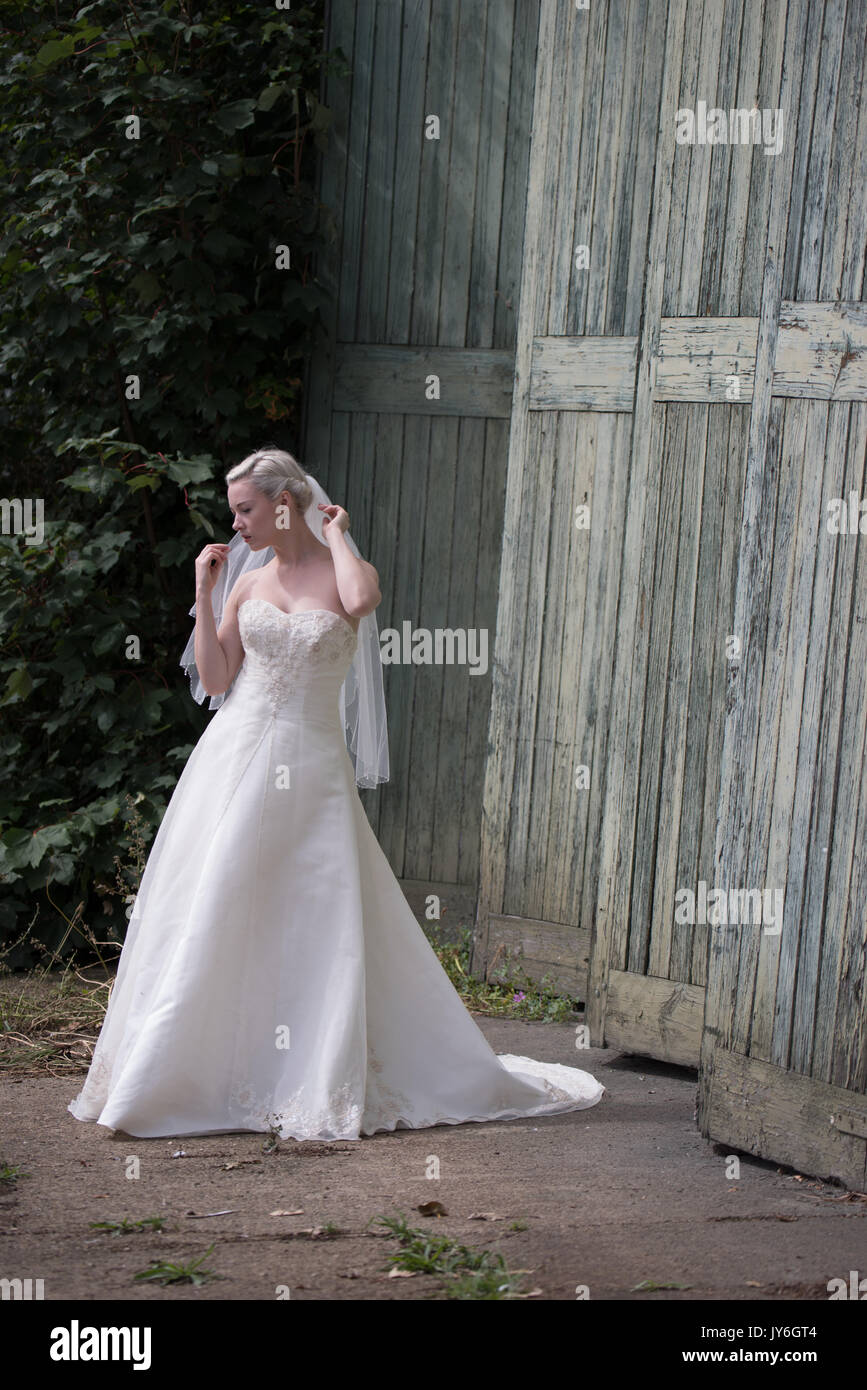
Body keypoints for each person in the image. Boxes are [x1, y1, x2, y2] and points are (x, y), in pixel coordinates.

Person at [68, 446, 604, 1140]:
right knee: (219, 897)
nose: (237, 526)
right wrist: (203, 593)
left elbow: (359, 601)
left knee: (313, 910)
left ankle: (311, 1072)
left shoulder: (341, 571)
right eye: (234, 513)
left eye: (246, 510)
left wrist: (339, 532)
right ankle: (193, 1072)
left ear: (283, 503)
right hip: (233, 758)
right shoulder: (246, 582)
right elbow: (217, 677)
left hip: (311, 762)